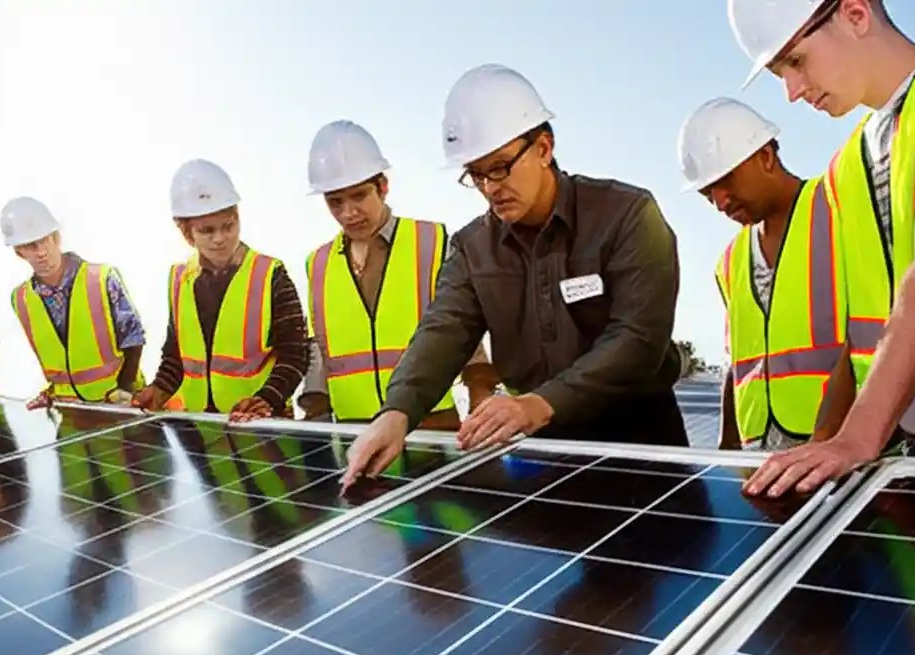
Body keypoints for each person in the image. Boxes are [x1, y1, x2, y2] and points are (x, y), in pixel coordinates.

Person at [728, 0, 915, 497]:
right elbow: (861, 340)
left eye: (795, 61)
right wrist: (822, 450)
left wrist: (857, 438)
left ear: (855, 14)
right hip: (914, 470)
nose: (792, 92)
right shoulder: (845, 168)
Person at [341, 63, 688, 486]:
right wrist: (397, 412)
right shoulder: (473, 248)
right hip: (542, 446)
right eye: (476, 174)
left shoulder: (627, 215)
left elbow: (638, 338)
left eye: (500, 167)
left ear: (543, 148)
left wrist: (539, 403)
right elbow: (443, 331)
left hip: (642, 444)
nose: (490, 187)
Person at [299, 119, 500, 428]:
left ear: (383, 186)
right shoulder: (318, 263)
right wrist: (315, 409)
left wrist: (479, 388)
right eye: (335, 202)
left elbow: (463, 327)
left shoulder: (432, 242)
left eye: (359, 196)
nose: (348, 212)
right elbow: (320, 345)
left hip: (430, 424)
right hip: (355, 430)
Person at [678, 97, 853, 451]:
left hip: (842, 454)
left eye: (725, 180)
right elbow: (737, 362)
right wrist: (729, 448)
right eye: (707, 192)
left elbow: (873, 337)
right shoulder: (729, 261)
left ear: (766, 157)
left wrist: (824, 444)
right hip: (760, 458)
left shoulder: (842, 214)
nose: (720, 201)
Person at [131, 159, 309, 422]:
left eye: (229, 225)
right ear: (186, 232)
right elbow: (175, 357)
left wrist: (267, 398)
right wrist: (158, 390)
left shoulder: (271, 274)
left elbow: (296, 353)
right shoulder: (179, 279)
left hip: (262, 425)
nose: (220, 238)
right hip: (202, 427)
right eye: (207, 231)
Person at [2, 196, 147, 408]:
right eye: (30, 246)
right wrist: (52, 393)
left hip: (120, 404)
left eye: (45, 240)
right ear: (18, 252)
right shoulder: (21, 299)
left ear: (57, 237)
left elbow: (133, 336)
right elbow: (60, 358)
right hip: (70, 411)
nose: (41, 251)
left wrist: (125, 387)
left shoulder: (101, 278)